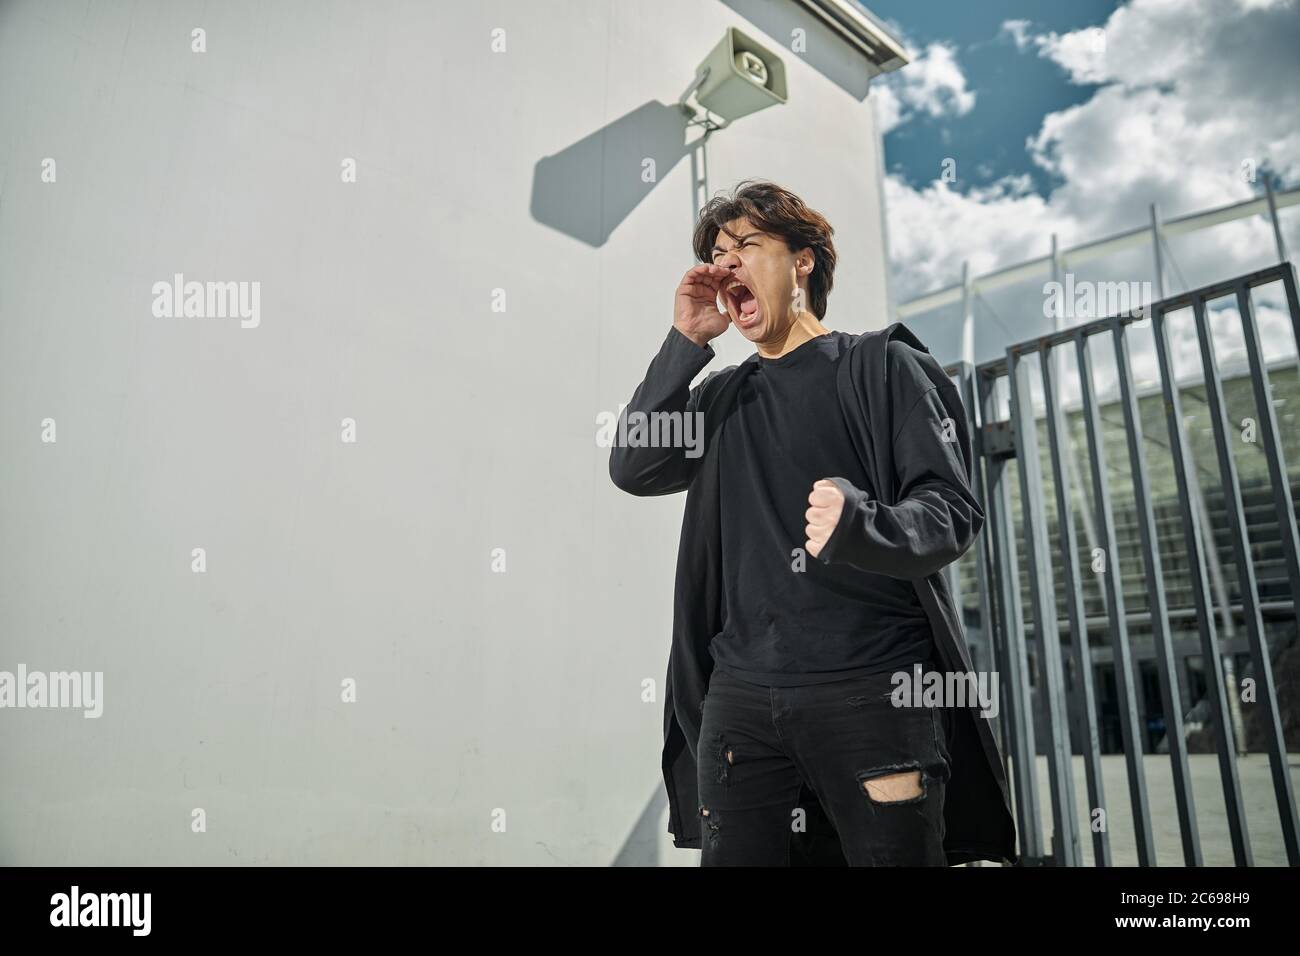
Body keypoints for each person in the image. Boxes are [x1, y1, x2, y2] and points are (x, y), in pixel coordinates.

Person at [609, 179, 1017, 867]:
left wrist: (864, 523)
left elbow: (949, 511)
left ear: (802, 260)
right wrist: (685, 342)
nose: (726, 261)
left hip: (873, 690)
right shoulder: (719, 397)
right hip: (739, 702)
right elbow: (633, 466)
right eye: (717, 250)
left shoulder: (883, 366)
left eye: (746, 244)